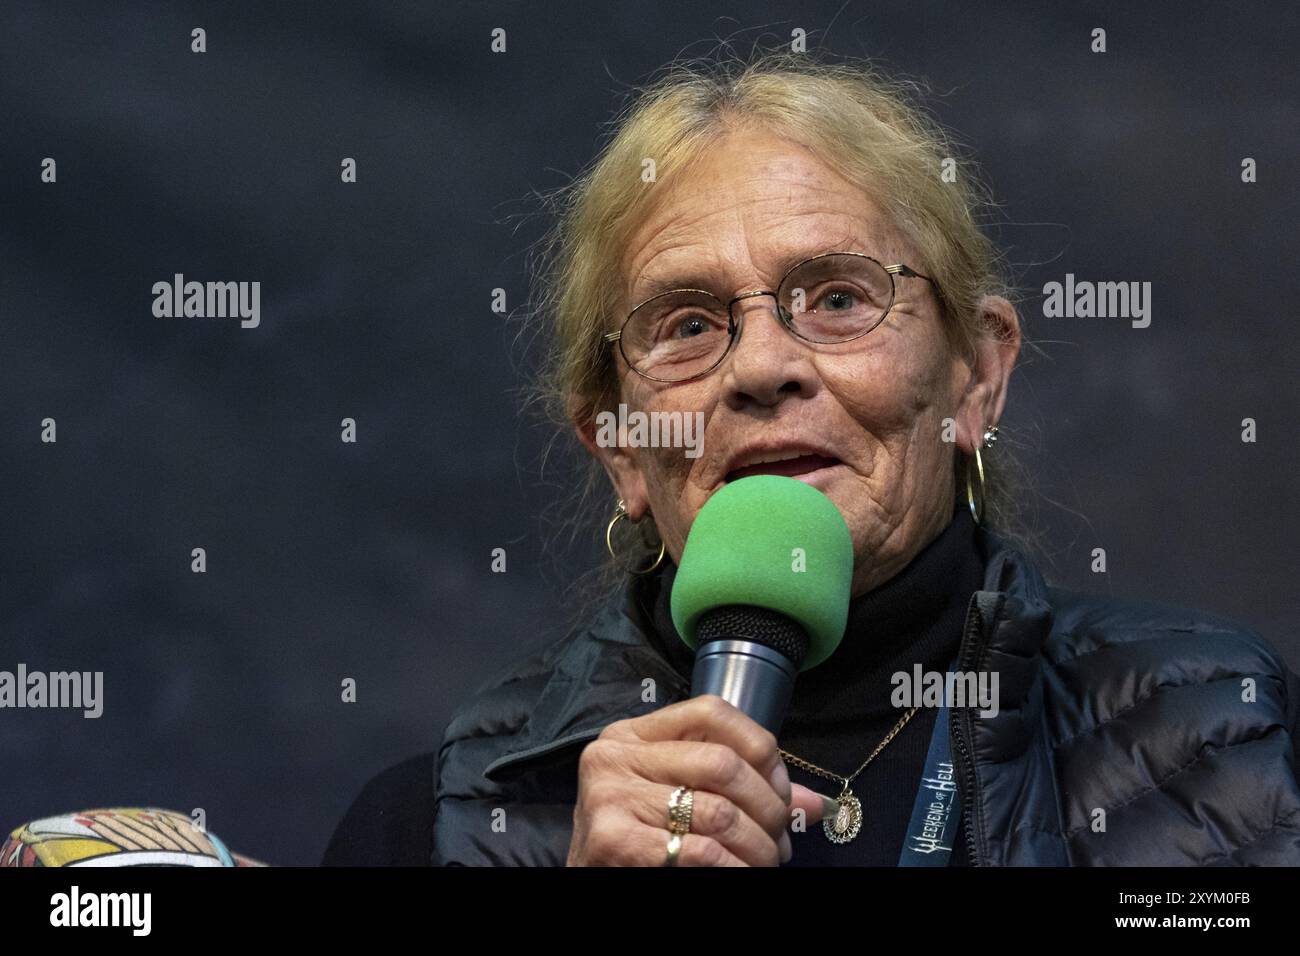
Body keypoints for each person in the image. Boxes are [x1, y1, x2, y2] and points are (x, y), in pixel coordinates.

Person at [323, 51, 1300, 867]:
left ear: (975, 379)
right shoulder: (430, 826)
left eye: (836, 298)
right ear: (621, 445)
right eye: (690, 323)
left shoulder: (1225, 737)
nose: (761, 366)